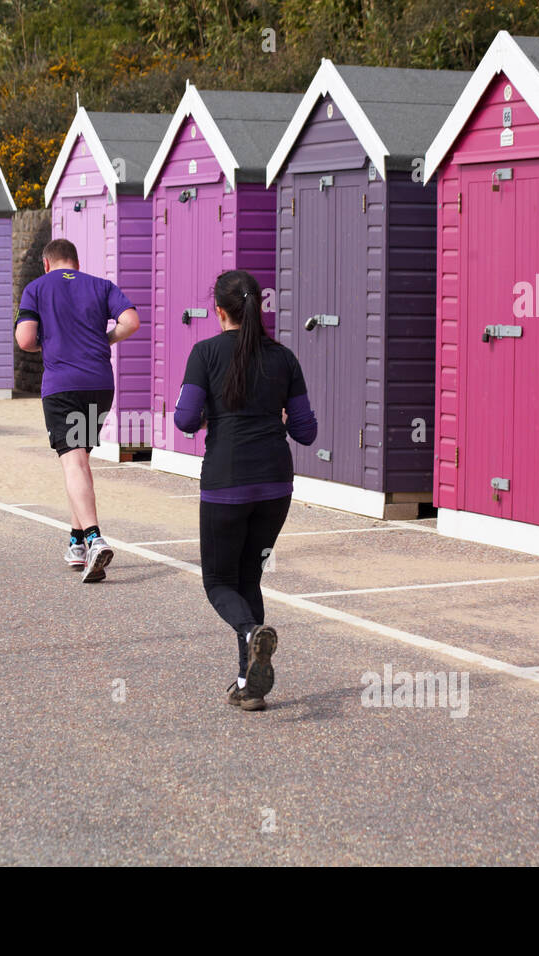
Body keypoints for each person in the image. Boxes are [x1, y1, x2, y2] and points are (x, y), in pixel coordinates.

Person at [173, 270, 318, 713]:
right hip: (275, 485)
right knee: (250, 578)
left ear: (219, 311)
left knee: (219, 583)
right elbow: (307, 432)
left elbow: (184, 419)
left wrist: (209, 418)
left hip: (227, 483)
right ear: (259, 306)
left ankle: (254, 635)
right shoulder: (284, 358)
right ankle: (248, 684)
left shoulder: (204, 353)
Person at [14, 238, 140, 583]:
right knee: (80, 460)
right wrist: (107, 339)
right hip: (99, 385)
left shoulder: (37, 289)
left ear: (46, 264)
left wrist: (50, 342)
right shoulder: (100, 286)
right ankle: (77, 543)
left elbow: (25, 339)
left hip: (62, 386)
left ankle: (94, 537)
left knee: (73, 462)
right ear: (76, 263)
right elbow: (131, 321)